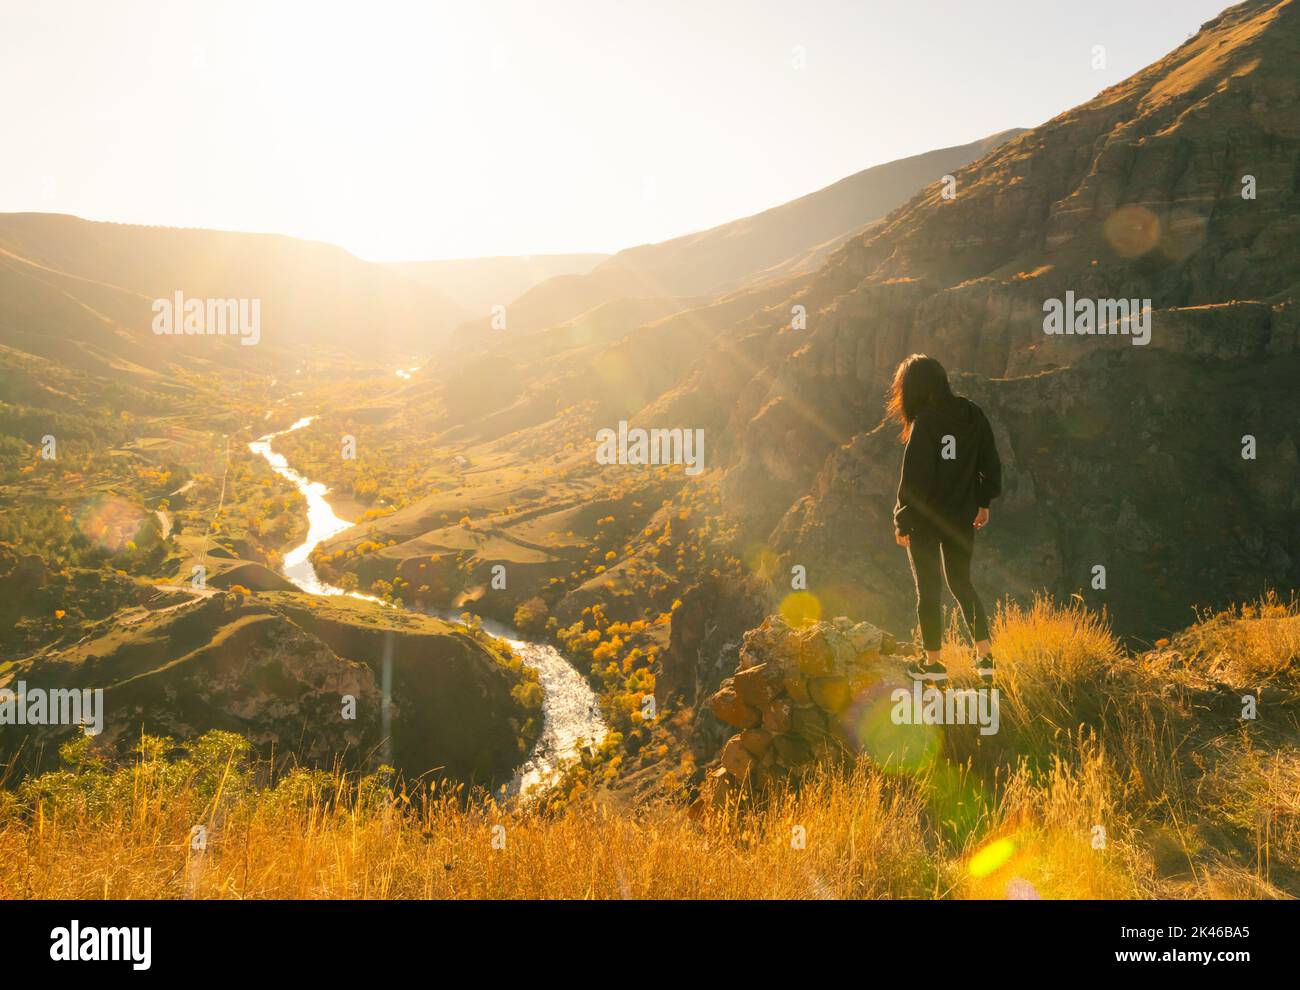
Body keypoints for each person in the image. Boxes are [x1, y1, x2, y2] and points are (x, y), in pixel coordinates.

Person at [887, 354, 1001, 685]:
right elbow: (990, 462)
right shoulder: (972, 413)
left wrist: (902, 520)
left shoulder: (925, 422)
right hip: (962, 517)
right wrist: (983, 502)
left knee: (929, 591)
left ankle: (933, 665)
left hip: (925, 521)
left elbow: (915, 480)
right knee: (962, 584)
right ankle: (986, 659)